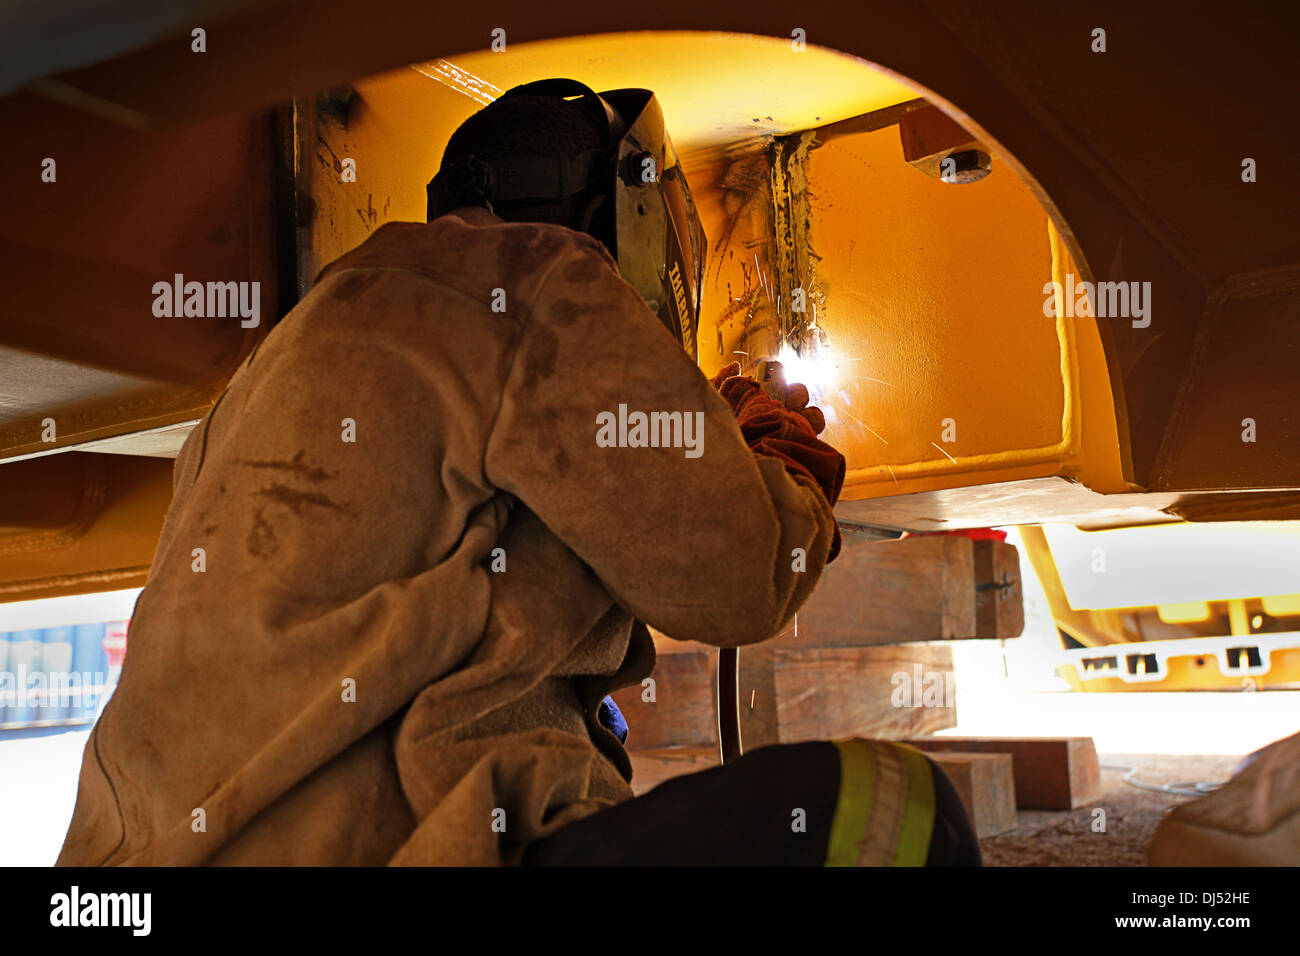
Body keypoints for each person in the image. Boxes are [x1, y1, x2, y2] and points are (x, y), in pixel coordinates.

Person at [57, 79, 977, 866]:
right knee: (895, 805)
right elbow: (740, 579)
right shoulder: (538, 276)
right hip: (387, 847)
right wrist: (780, 466)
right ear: (623, 211)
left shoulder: (274, 364)